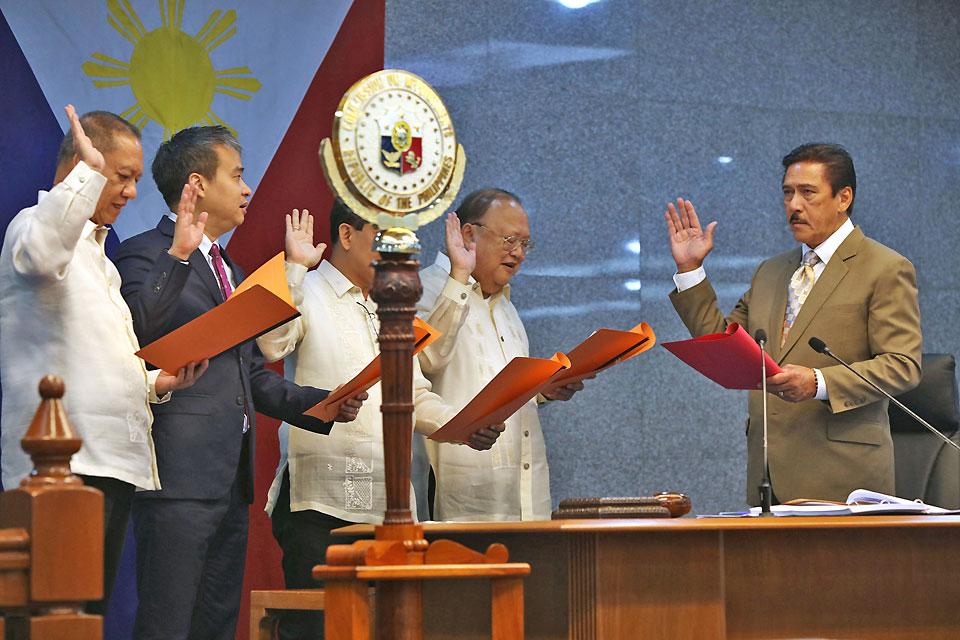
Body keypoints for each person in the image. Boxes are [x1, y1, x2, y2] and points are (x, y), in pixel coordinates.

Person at [113, 126, 365, 640]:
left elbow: (251, 375)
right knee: (166, 623)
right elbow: (141, 326)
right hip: (177, 476)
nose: (248, 189)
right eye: (238, 175)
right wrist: (178, 256)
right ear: (198, 184)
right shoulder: (144, 253)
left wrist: (323, 405)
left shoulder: (230, 268)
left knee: (216, 624)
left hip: (231, 480)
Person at [256, 202, 503, 639]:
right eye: (382, 241)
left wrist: (464, 425)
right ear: (347, 236)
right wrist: (294, 266)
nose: (393, 258)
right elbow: (272, 343)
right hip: (319, 501)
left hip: (386, 504)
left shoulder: (388, 306)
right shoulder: (309, 289)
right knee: (318, 630)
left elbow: (415, 392)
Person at [0, 105, 206, 615]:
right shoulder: (33, 228)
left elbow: (100, 356)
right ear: (81, 168)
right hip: (60, 472)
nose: (131, 192)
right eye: (122, 176)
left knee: (87, 615)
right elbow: (42, 256)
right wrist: (89, 174)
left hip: (106, 464)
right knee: (54, 618)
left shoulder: (98, 257)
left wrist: (159, 382)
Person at [665, 142, 922, 504]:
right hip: (768, 477)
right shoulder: (770, 272)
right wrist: (690, 270)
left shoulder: (885, 267)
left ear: (843, 197)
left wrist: (818, 382)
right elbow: (722, 345)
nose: (794, 205)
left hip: (845, 480)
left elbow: (902, 366)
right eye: (788, 193)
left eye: (807, 193)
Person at [417, 188, 585, 521]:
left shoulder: (505, 306)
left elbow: (500, 387)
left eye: (525, 244)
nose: (519, 253)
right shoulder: (424, 290)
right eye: (509, 240)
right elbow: (425, 359)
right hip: (463, 498)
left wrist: (542, 390)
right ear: (468, 234)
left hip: (524, 498)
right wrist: (460, 278)